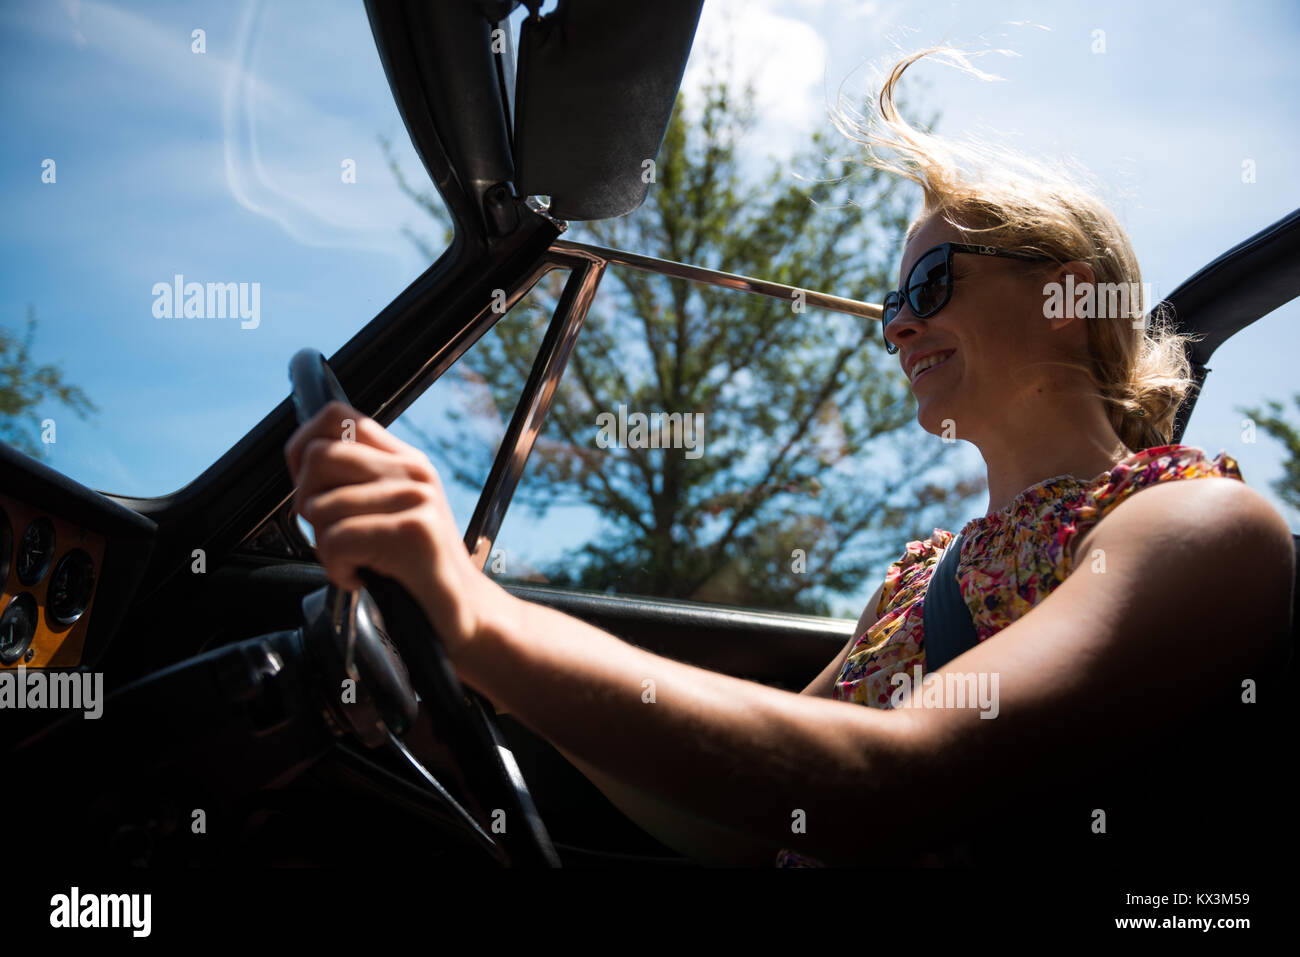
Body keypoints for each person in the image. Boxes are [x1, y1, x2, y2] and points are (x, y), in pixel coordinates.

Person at [284, 49, 1294, 867]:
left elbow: (892, 783)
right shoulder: (916, 575)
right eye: (893, 306)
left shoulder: (1195, 524)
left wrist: (484, 620)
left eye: (931, 284)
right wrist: (509, 695)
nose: (898, 329)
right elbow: (750, 824)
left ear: (1066, 301)